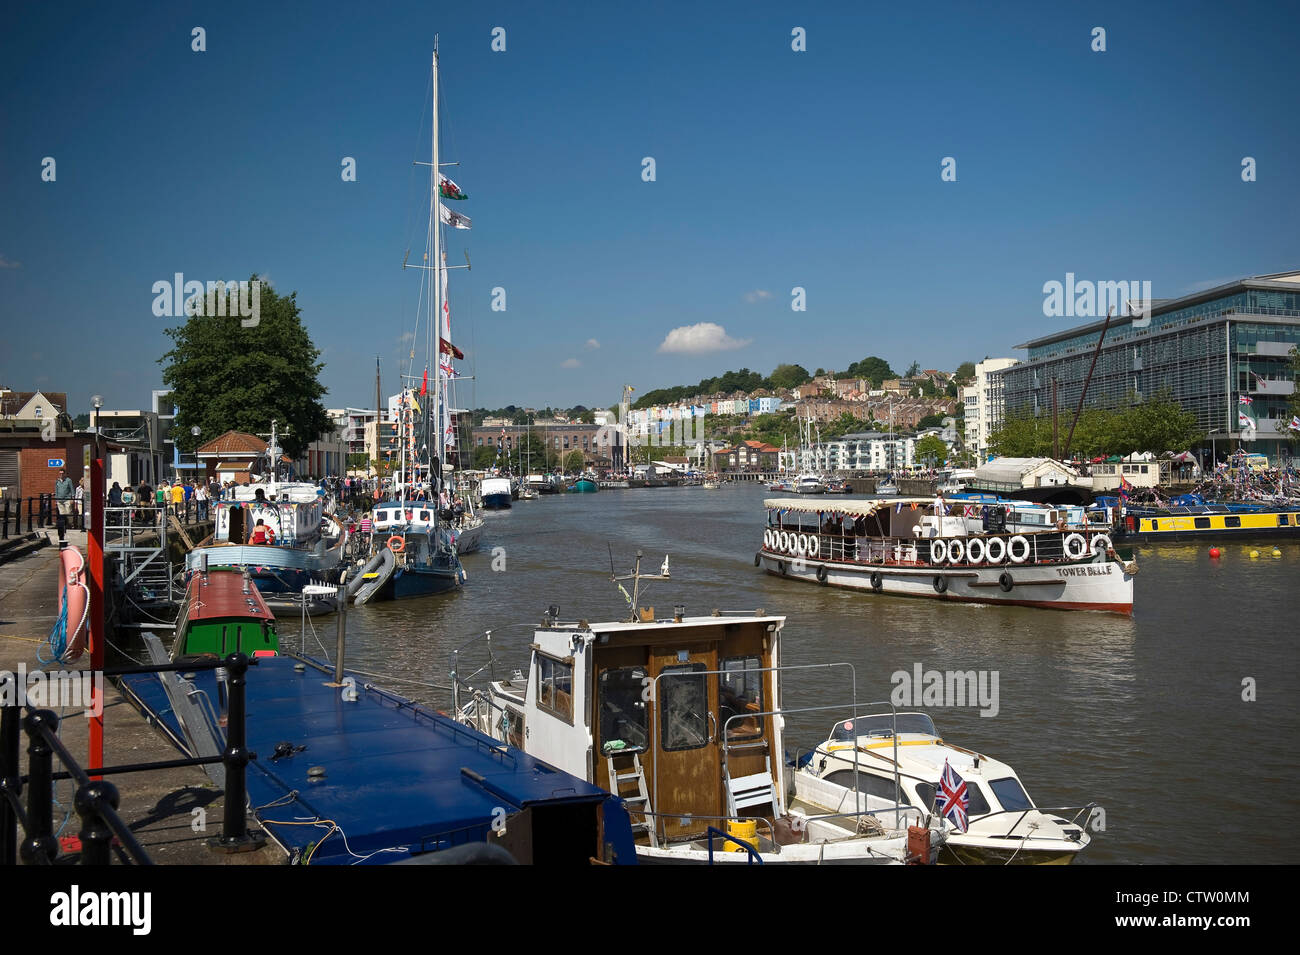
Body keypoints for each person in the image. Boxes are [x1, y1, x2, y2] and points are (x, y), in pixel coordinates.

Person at [53, 468, 75, 542]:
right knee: (62, 514)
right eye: (60, 473)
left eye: (62, 473)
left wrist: (72, 498)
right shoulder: (57, 481)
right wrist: (56, 499)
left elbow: (72, 489)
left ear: (65, 474)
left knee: (68, 512)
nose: (61, 475)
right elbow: (56, 490)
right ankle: (64, 526)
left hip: (67, 499)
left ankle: (69, 524)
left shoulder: (68, 480)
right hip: (59, 499)